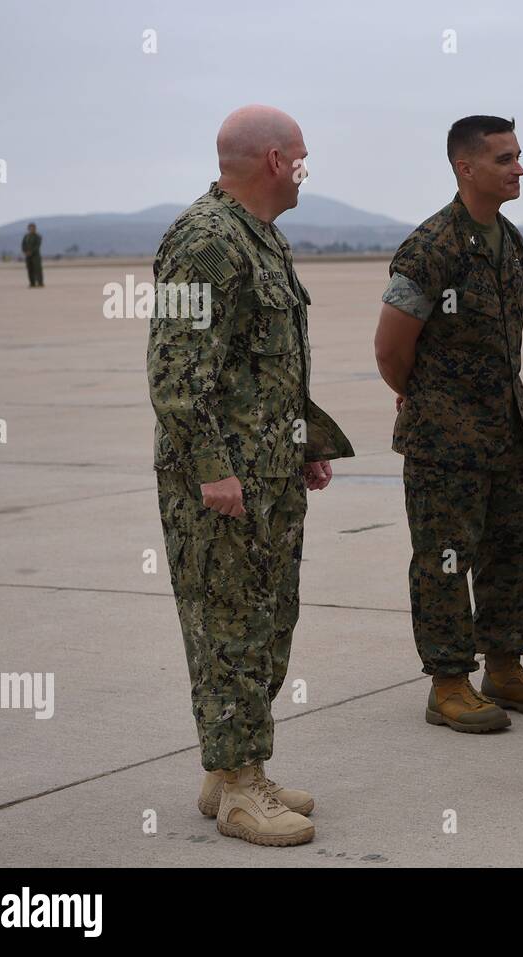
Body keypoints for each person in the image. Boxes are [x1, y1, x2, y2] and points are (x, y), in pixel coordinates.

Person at [149, 104, 354, 847]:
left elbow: (265, 366)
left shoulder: (262, 238)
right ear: (274, 160)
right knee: (229, 628)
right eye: (301, 156)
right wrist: (211, 470)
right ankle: (239, 787)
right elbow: (175, 372)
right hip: (224, 485)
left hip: (270, 474)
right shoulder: (205, 242)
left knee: (268, 626)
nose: (306, 168)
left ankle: (232, 767)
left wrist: (304, 438)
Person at [375, 115, 523, 733]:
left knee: (515, 550)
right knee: (443, 558)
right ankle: (449, 682)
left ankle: (506, 666)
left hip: (505, 429)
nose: (518, 168)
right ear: (466, 167)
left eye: (518, 156)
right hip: (445, 437)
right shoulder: (431, 246)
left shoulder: (510, 241)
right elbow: (390, 348)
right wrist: (428, 398)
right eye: (504, 159)